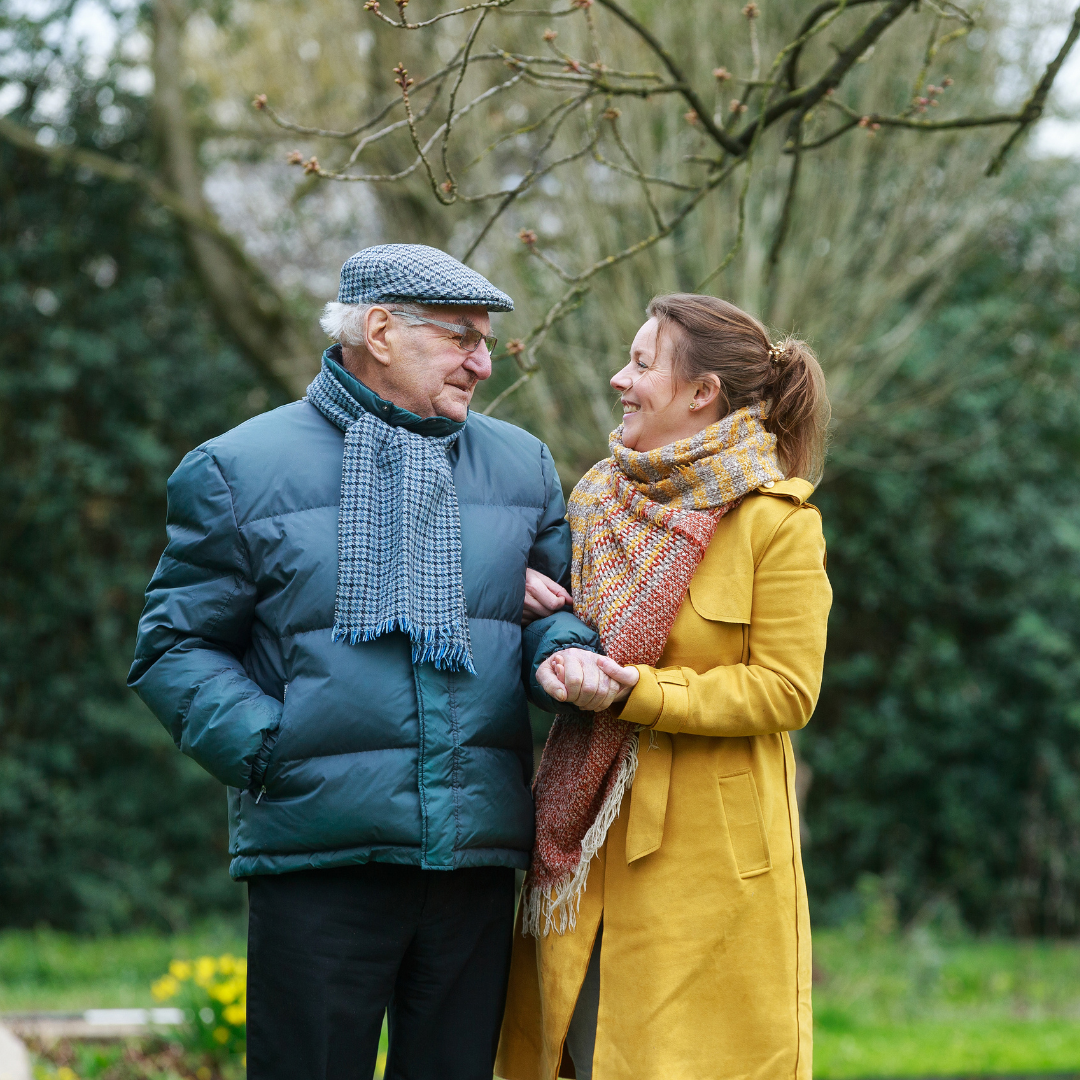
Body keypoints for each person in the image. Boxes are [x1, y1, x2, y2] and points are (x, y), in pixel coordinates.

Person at [128, 244, 599, 1080]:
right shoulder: (239, 470)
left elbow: (551, 617)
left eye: (486, 341)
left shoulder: (520, 465)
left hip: (474, 857)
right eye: (462, 337)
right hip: (320, 857)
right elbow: (174, 646)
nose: (483, 362)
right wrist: (272, 750)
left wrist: (562, 658)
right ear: (380, 330)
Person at [495, 293, 833, 1080]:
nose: (620, 377)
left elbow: (786, 692)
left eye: (643, 363)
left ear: (701, 392)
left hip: (708, 872)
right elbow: (559, 628)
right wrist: (512, 594)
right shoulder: (593, 501)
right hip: (583, 845)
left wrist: (634, 694)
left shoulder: (774, 522)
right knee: (569, 1056)